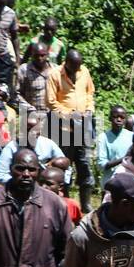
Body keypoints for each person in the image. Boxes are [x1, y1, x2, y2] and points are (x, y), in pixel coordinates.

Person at [45, 49, 96, 211]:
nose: (77, 69)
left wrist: (89, 109)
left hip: (83, 126)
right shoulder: (54, 75)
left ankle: (86, 204)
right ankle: (64, 202)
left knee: (84, 164)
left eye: (79, 65)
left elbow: (90, 93)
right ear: (66, 63)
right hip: (63, 128)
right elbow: (51, 102)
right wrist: (69, 116)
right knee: (64, 164)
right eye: (74, 66)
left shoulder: (84, 72)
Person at [94, 105, 132, 188]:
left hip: (129, 182)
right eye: (115, 117)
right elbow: (101, 164)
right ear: (110, 118)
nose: (119, 120)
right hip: (110, 183)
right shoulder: (103, 137)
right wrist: (122, 159)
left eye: (122, 117)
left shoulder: (132, 136)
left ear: (125, 120)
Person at [15, 40, 53, 116]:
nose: (39, 58)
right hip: (33, 113)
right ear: (32, 55)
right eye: (36, 55)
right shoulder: (24, 69)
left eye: (42, 55)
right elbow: (16, 94)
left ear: (47, 55)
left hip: (52, 114)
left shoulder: (55, 70)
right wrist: (30, 109)